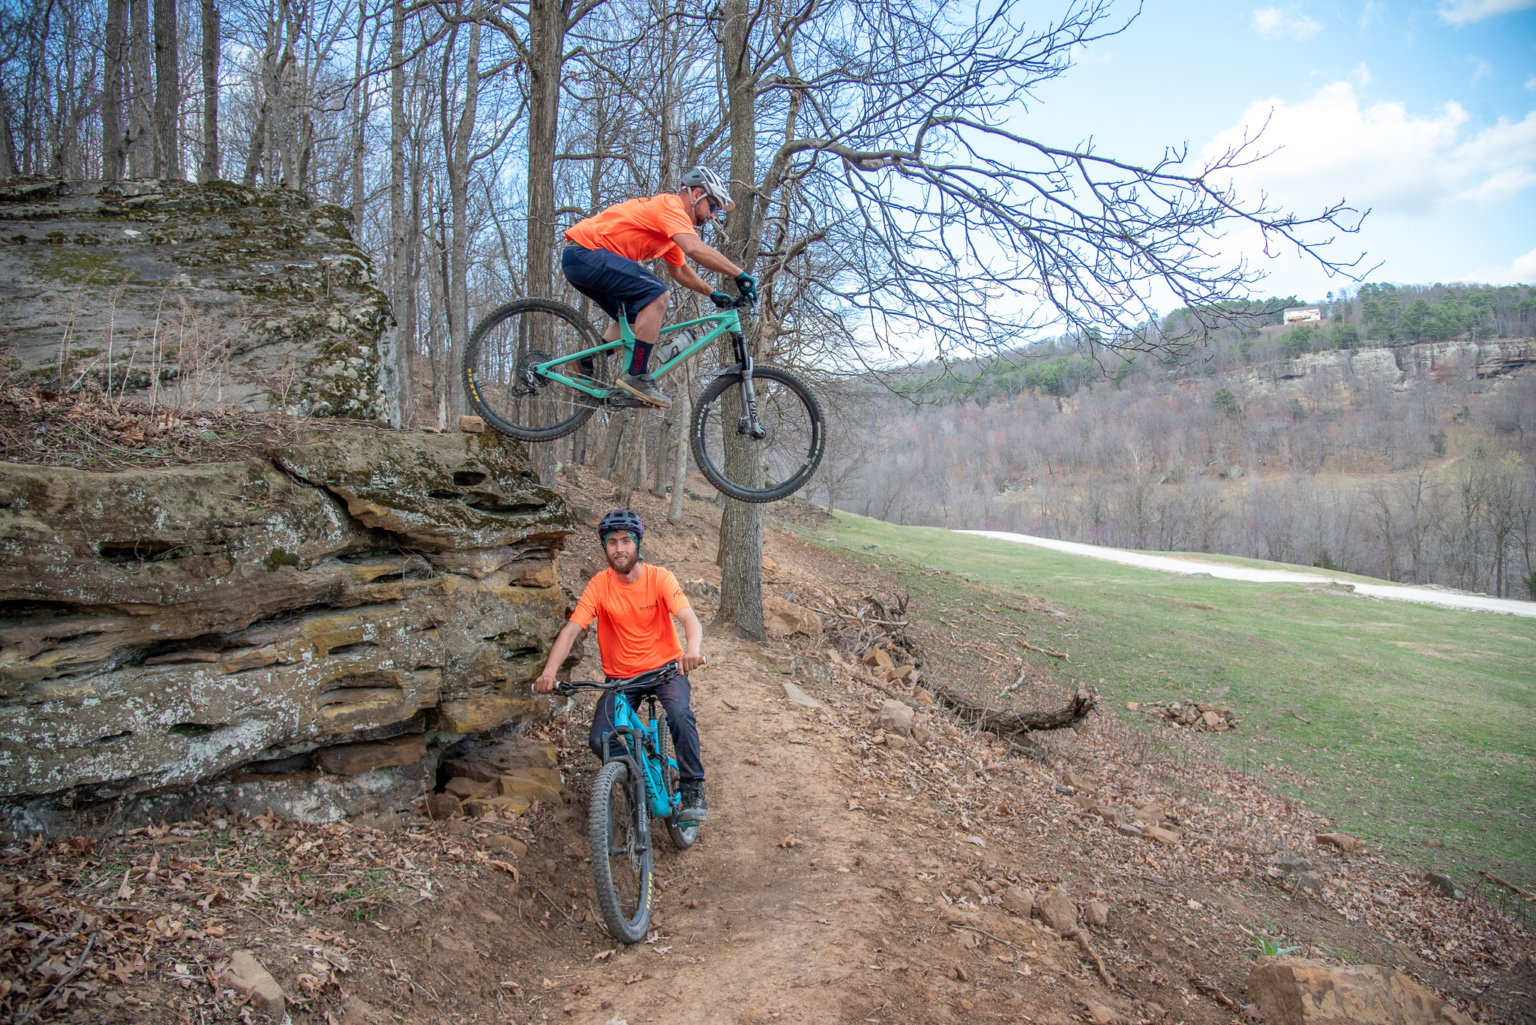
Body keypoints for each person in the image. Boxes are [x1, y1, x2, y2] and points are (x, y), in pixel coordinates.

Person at [533, 509, 710, 820]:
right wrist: (549, 674)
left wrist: (691, 651)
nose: (619, 549)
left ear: (637, 544)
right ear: (605, 548)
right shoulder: (599, 585)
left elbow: (688, 619)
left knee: (680, 715)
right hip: (621, 680)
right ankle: (635, 781)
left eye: (626, 541)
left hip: (667, 671)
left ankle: (693, 787)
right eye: (612, 542)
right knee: (599, 739)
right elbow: (572, 630)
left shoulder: (660, 578)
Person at [561, 166, 757, 409]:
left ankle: (587, 362)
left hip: (580, 260)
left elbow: (681, 270)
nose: (713, 216)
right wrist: (740, 274)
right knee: (657, 294)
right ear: (696, 194)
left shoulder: (672, 229)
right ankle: (637, 376)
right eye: (713, 206)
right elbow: (694, 248)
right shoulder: (671, 207)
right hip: (587, 253)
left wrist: (712, 293)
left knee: (635, 320)